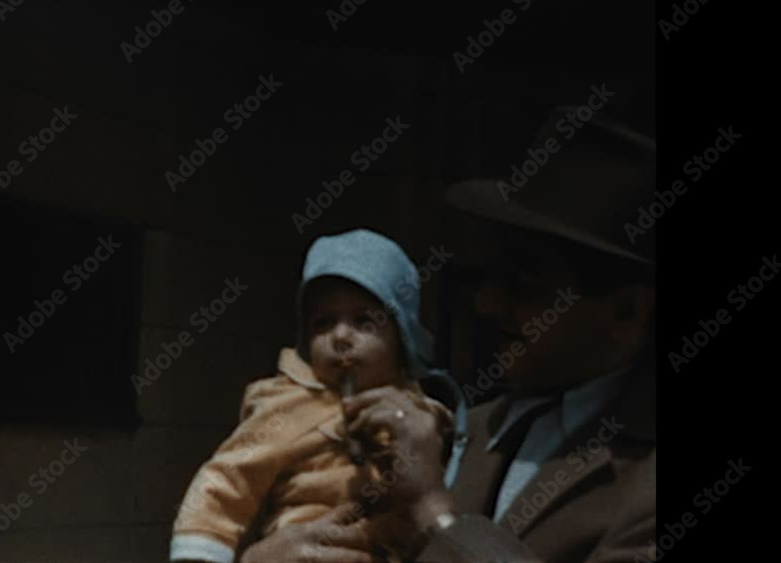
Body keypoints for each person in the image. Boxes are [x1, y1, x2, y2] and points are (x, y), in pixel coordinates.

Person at [237, 107, 657, 562]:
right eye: (490, 279)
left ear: (627, 312)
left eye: (524, 287)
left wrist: (434, 511)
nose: (487, 303)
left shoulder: (645, 478)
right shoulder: (463, 428)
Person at [170, 229, 464, 563]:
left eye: (364, 321)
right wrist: (201, 555)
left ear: (402, 337)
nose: (340, 336)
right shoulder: (290, 405)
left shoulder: (421, 416)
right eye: (322, 324)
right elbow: (225, 482)